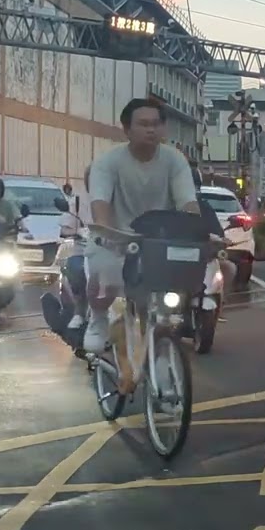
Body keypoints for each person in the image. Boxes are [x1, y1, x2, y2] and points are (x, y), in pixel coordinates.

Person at [69, 98, 201, 352]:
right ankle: (97, 320)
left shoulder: (175, 160)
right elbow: (100, 204)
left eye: (156, 124)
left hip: (159, 241)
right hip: (117, 239)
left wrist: (194, 230)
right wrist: (109, 234)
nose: (151, 130)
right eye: (143, 124)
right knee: (102, 274)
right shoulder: (106, 163)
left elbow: (188, 203)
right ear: (126, 129)